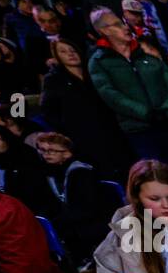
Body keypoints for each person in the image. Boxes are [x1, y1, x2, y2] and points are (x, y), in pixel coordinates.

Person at [87, 7, 168, 188]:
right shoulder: (99, 62)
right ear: (103, 31)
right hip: (140, 131)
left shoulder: (145, 53)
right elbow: (111, 95)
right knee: (158, 180)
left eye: (123, 22)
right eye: (118, 24)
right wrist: (146, 113)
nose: (125, 27)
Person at [39, 37, 130, 181]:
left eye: (73, 50)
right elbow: (48, 111)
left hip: (113, 130)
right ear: (57, 56)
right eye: (64, 51)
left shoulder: (94, 70)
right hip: (83, 138)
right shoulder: (54, 79)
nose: (70, 54)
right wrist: (68, 130)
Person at [33, 132, 111, 269]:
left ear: (67, 153)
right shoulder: (48, 173)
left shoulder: (81, 173)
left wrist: (57, 222)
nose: (46, 154)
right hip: (71, 222)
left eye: (51, 151)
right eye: (43, 150)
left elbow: (87, 208)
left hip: (93, 222)